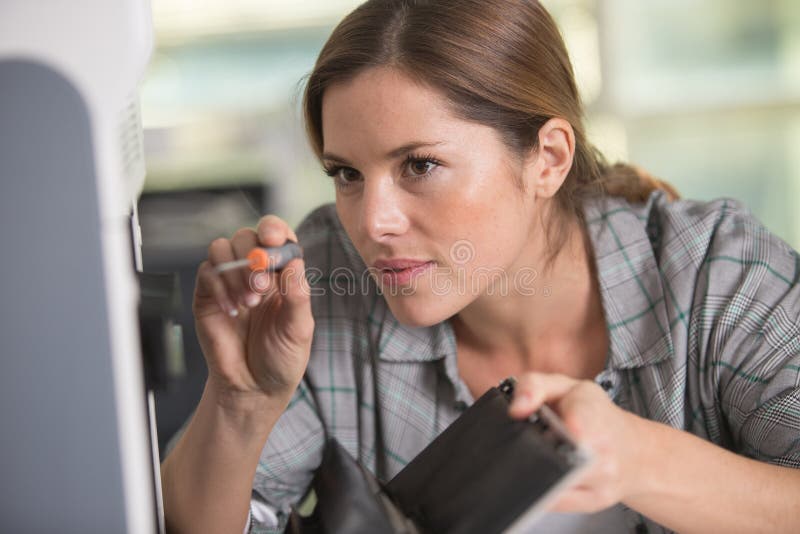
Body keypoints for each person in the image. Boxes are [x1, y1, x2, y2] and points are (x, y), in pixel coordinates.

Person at [159, 1, 800, 533]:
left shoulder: (719, 273)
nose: (373, 221)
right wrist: (241, 402)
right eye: (347, 174)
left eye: (420, 165)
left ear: (547, 158)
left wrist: (638, 460)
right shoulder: (324, 286)